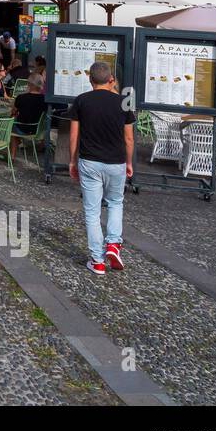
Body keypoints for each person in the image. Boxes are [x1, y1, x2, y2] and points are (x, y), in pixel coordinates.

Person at [68, 61, 135, 276]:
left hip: (90, 161)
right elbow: (129, 138)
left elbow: (74, 135)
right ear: (111, 80)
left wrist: (72, 160)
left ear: (90, 79)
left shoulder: (81, 101)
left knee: (92, 211)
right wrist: (130, 162)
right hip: (116, 162)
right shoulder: (124, 102)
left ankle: (97, 261)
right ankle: (113, 244)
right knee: (116, 202)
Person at [11, 73, 48, 155]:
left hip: (22, 129)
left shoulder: (21, 98)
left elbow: (13, 112)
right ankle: (19, 140)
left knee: (12, 124)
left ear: (29, 84)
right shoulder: (45, 99)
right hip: (38, 130)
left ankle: (12, 155)